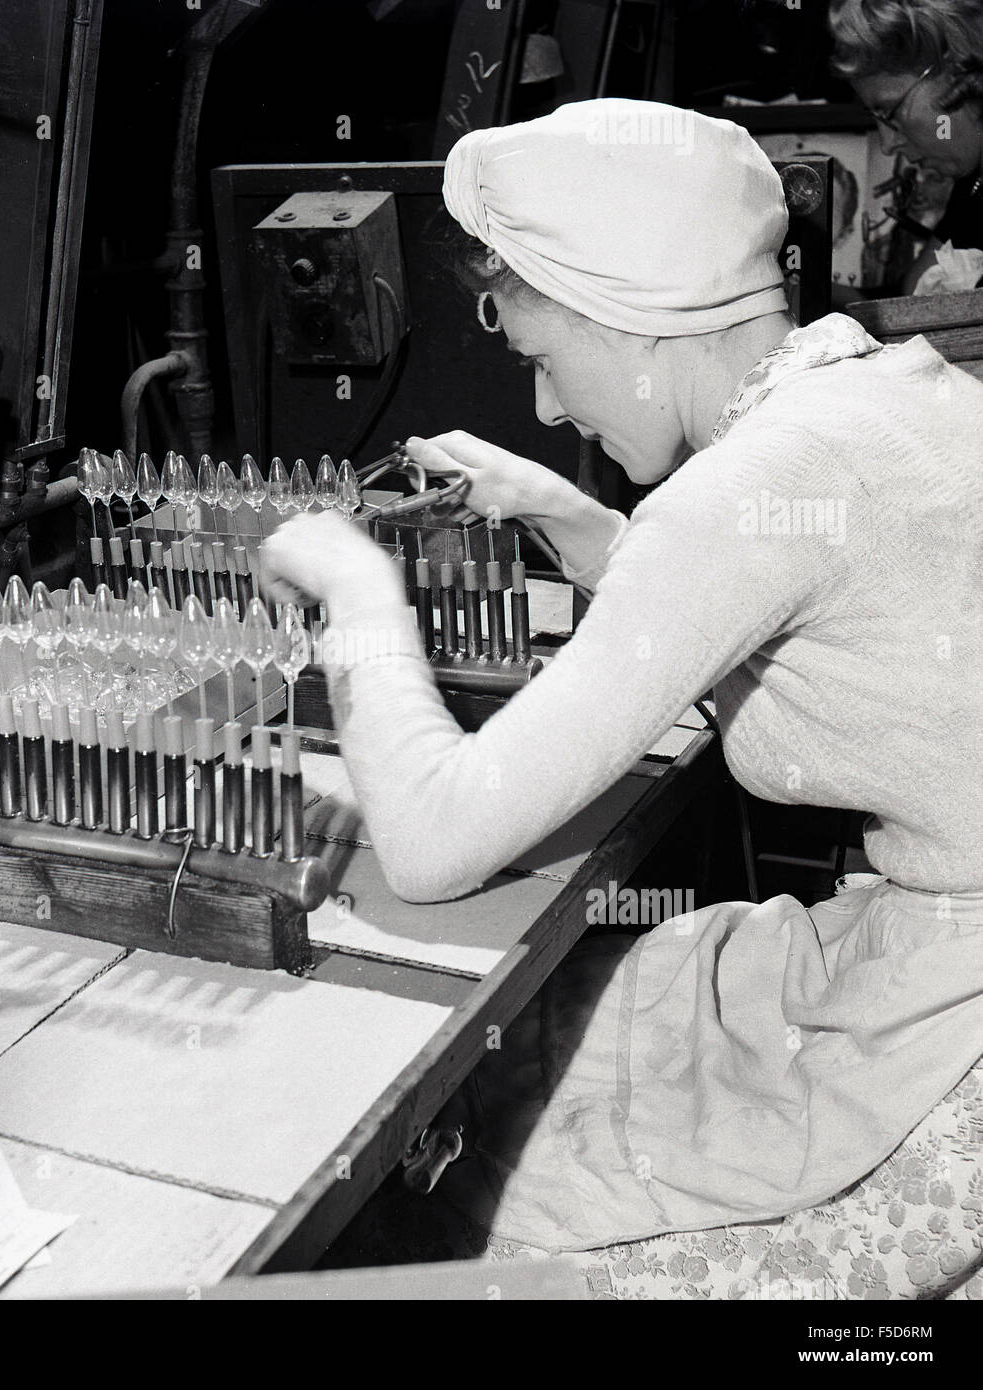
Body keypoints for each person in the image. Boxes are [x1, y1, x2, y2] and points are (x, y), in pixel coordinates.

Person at [261, 98, 983, 1295]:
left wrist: (358, 593)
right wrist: (580, 519)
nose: (546, 405)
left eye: (546, 358)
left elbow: (436, 842)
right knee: (605, 1006)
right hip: (943, 937)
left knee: (482, 1150)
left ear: (638, 325)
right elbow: (797, 603)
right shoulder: (884, 393)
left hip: (953, 1026)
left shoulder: (743, 493)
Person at [830, 0, 983, 289]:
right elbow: (911, 303)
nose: (887, 145)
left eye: (890, 111)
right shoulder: (972, 183)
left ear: (954, 69)